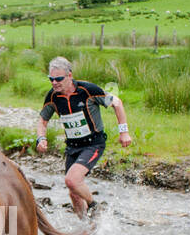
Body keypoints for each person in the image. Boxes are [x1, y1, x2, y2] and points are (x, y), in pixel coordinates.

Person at [35, 57, 130, 219]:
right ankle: (85, 229)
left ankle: (94, 206)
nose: (54, 83)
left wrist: (124, 132)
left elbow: (117, 103)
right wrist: (40, 138)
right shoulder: (53, 97)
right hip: (72, 147)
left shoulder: (87, 90)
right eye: (51, 79)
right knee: (74, 194)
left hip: (93, 144)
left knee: (72, 181)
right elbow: (43, 120)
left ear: (69, 75)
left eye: (58, 79)